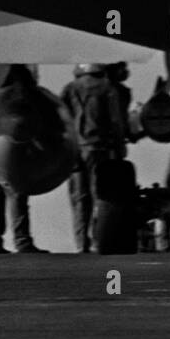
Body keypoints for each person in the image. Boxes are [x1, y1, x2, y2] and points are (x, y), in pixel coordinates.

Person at [0, 63, 47, 254]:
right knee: (17, 190)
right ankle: (22, 240)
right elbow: (27, 107)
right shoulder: (18, 73)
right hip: (11, 139)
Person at [61, 64, 130, 252]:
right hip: (99, 149)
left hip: (74, 150)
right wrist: (120, 146)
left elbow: (61, 120)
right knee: (102, 197)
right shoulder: (108, 88)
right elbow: (116, 122)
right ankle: (98, 240)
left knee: (79, 198)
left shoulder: (69, 88)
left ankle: (81, 243)